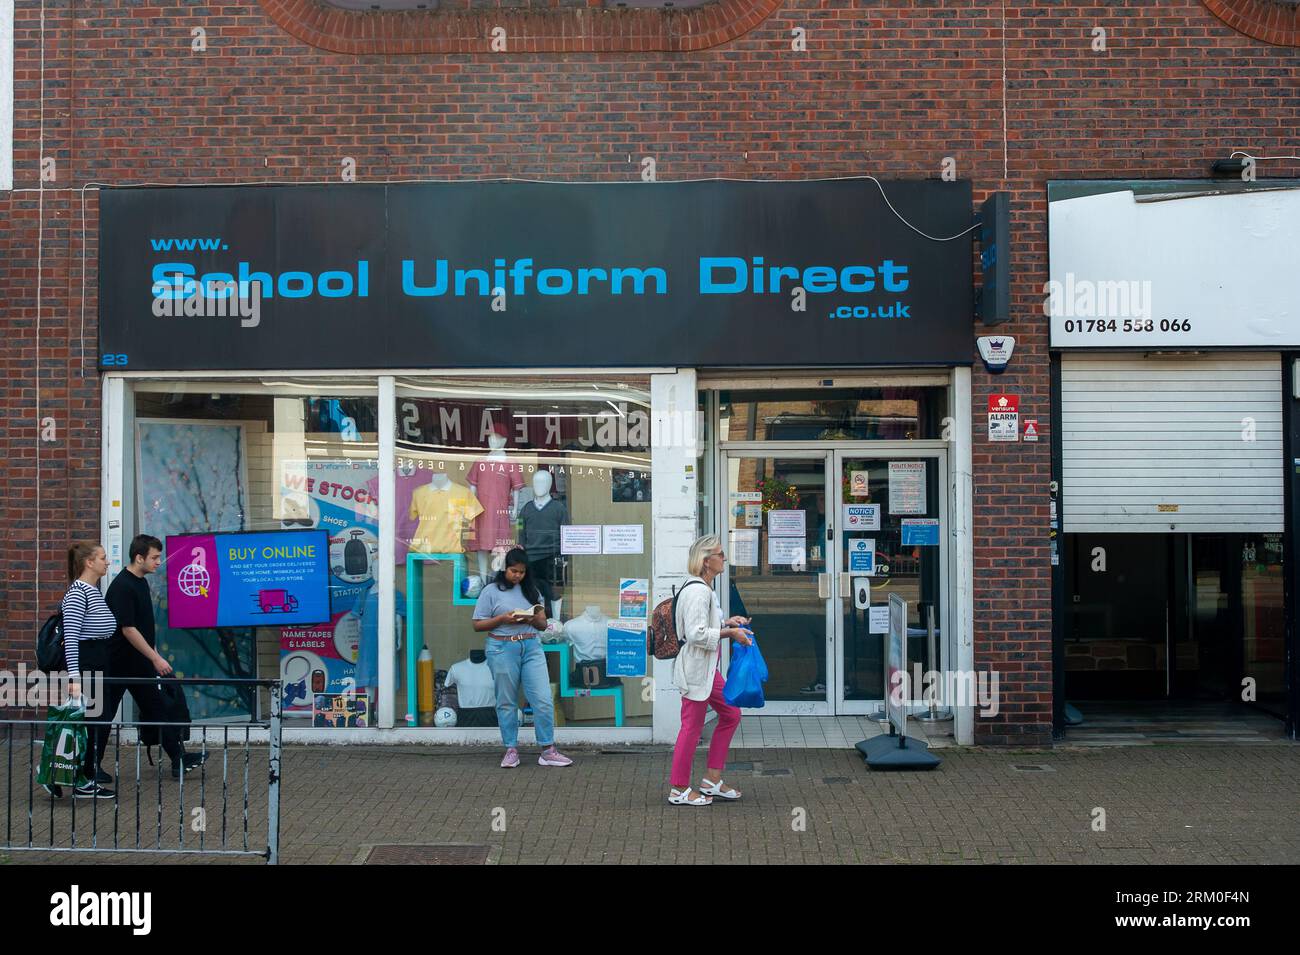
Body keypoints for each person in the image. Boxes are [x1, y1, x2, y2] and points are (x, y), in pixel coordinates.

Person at [102, 534, 208, 781]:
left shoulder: (139, 582)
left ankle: (178, 759)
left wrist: (153, 657)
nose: (159, 562)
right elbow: (127, 629)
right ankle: (89, 768)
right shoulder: (123, 587)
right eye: (154, 557)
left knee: (157, 709)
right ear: (139, 558)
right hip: (120, 663)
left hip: (136, 662)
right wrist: (156, 658)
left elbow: (141, 628)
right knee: (105, 715)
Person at [667, 534, 752, 806]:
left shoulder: (705, 588)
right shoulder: (698, 591)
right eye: (719, 554)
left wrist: (727, 621)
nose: (724, 557)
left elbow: (703, 623)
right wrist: (731, 633)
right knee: (691, 728)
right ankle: (678, 789)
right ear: (706, 562)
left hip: (707, 672)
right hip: (695, 670)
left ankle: (711, 780)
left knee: (730, 714)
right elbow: (696, 634)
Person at [472, 547, 573, 769]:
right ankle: (510, 749)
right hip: (502, 647)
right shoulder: (491, 591)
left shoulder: (532, 591)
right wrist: (502, 619)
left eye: (522, 572)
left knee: (543, 699)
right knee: (506, 701)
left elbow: (543, 624)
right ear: (505, 568)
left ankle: (547, 749)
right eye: (513, 571)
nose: (517, 575)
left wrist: (531, 619)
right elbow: (477, 624)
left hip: (531, 645)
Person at [58, 542, 118, 799]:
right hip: (84, 666)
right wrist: (74, 678)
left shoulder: (93, 590)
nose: (107, 562)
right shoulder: (77, 593)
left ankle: (84, 776)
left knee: (97, 722)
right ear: (89, 563)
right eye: (103, 558)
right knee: (90, 723)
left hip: (96, 662)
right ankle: (81, 780)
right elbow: (71, 637)